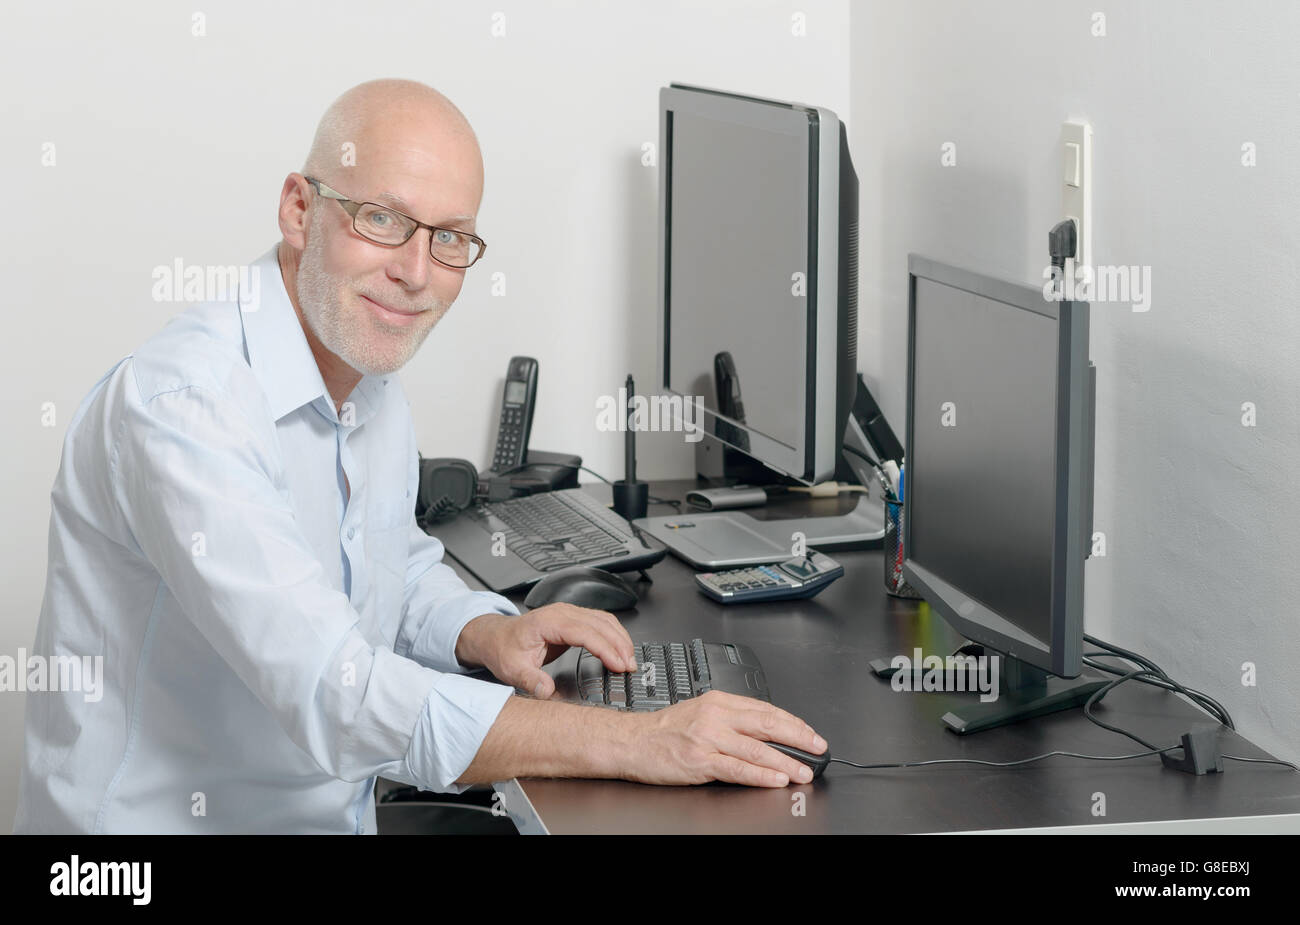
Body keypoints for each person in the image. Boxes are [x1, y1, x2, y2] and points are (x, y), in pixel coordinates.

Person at [14, 79, 826, 834]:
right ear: (299, 209)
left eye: (449, 238)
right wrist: (639, 739)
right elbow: (336, 692)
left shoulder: (361, 366)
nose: (414, 273)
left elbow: (388, 567)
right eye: (381, 219)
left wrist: (483, 631)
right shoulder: (184, 408)